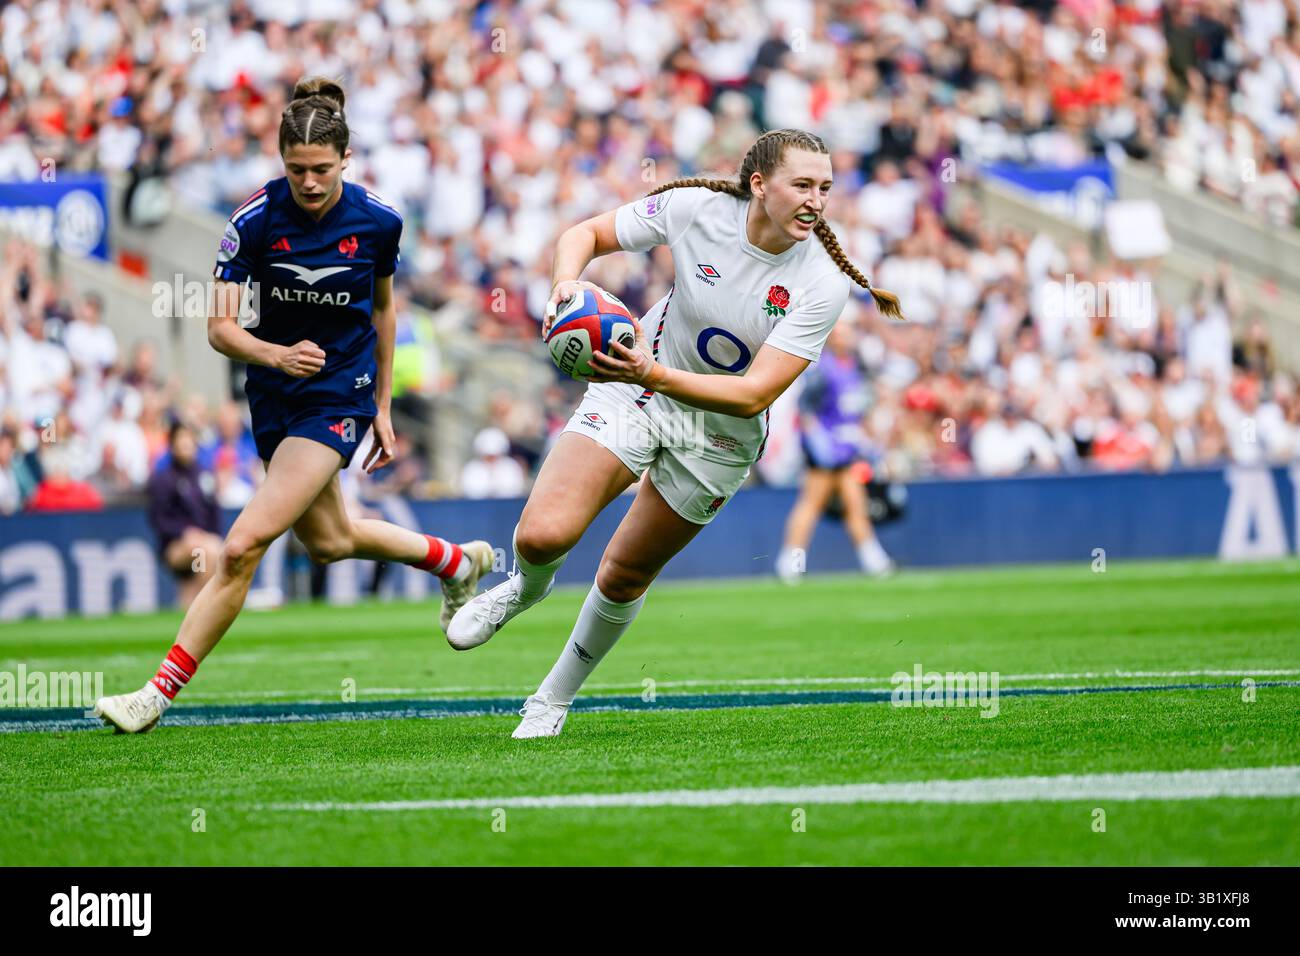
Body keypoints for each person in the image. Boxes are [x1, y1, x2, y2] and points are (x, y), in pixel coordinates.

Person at [448, 128, 903, 738]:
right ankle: (523, 590)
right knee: (541, 535)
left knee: (623, 575)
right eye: (802, 185)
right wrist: (564, 283)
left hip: (718, 433)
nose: (815, 200)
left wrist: (654, 373)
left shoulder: (821, 281)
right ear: (760, 185)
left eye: (824, 187)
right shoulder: (697, 210)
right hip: (635, 387)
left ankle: (551, 700)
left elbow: (754, 394)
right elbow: (583, 234)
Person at [94, 76, 492, 734]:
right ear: (280, 159)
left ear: (346, 161)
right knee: (332, 541)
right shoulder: (253, 222)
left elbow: (385, 311)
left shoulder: (378, 222)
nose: (309, 182)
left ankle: (154, 695)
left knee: (244, 545)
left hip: (338, 397)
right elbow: (220, 330)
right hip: (275, 394)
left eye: (323, 169)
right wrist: (276, 356)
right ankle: (455, 562)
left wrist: (383, 407)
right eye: (296, 168)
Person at [775, 316, 895, 583]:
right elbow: (805, 410)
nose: (844, 338)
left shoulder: (857, 368)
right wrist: (818, 443)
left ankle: (875, 562)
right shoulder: (822, 370)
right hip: (825, 452)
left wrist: (868, 442)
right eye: (838, 333)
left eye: (847, 332)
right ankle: (790, 564)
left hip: (848, 451)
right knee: (811, 505)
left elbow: (858, 412)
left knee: (856, 506)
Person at [147, 422, 224, 609]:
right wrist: (184, 532)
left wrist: (210, 535)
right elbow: (159, 519)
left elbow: (214, 513)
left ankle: (189, 609)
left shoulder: (205, 474)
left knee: (209, 552)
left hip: (204, 542)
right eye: (181, 439)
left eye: (189, 439)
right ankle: (204, 607)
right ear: (172, 443)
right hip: (176, 547)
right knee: (204, 552)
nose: (185, 444)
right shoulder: (163, 478)